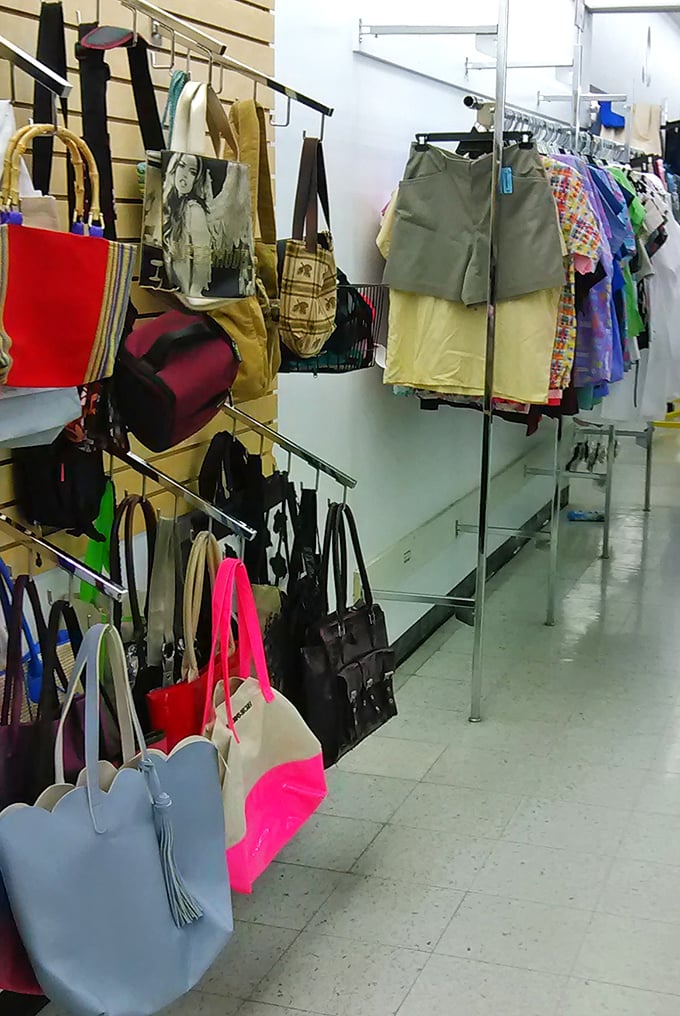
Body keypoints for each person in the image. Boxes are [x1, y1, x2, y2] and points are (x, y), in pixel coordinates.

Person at [162, 152, 213, 297]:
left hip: (188, 296)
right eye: (181, 166)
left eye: (192, 172)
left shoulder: (193, 209)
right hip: (174, 294)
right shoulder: (168, 206)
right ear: (174, 168)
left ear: (196, 179)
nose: (184, 176)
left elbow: (203, 257)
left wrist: (195, 292)